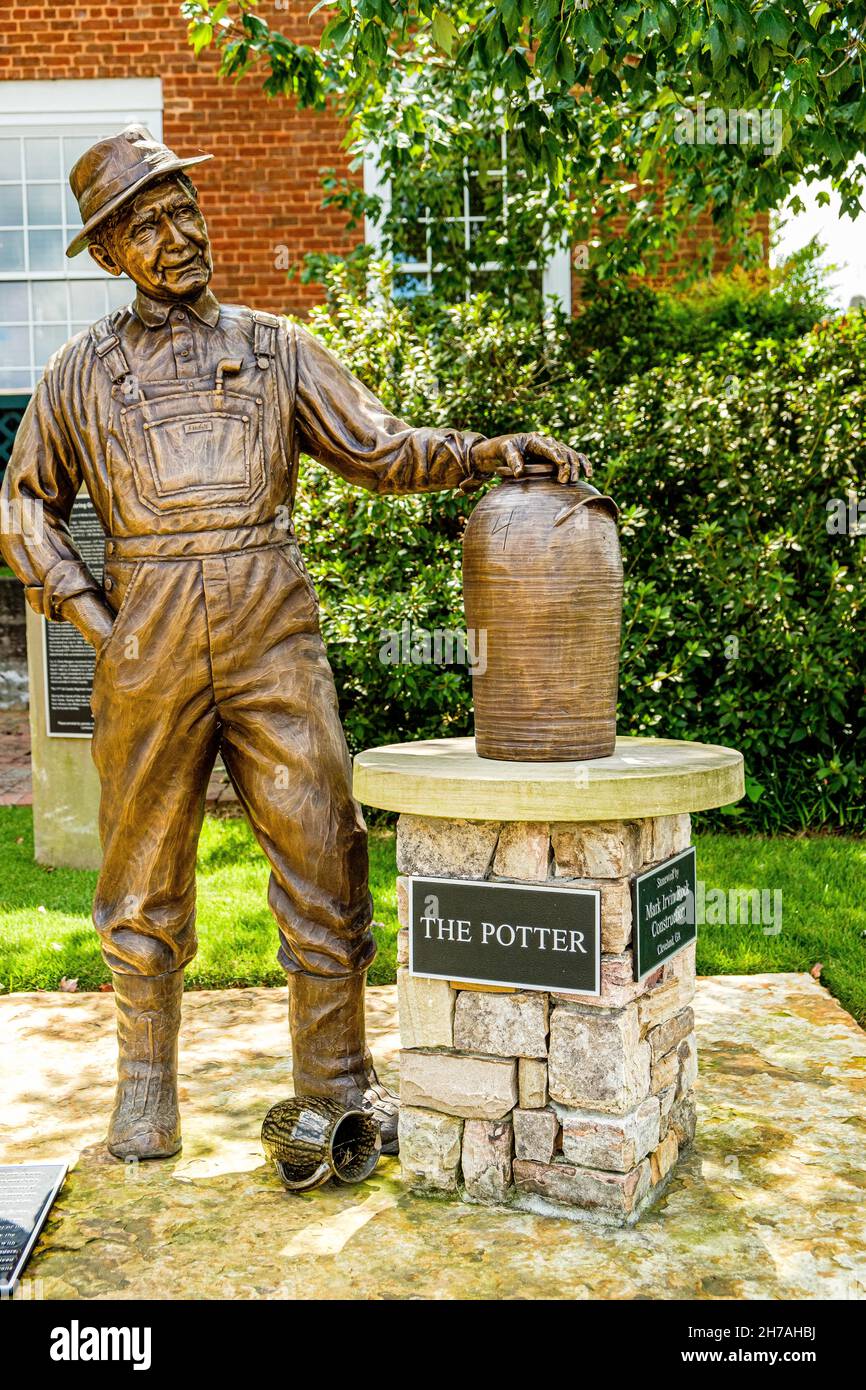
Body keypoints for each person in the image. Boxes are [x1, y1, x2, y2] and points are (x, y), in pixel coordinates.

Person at [0, 126, 589, 1161]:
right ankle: (143, 1083)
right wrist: (97, 621)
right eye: (146, 223)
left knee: (321, 842)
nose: (177, 234)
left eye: (184, 208)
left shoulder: (278, 347)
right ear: (107, 254)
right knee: (141, 868)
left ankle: (336, 1081)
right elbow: (22, 510)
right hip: (151, 629)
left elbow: (378, 446)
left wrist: (483, 451)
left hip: (271, 617)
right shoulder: (76, 376)